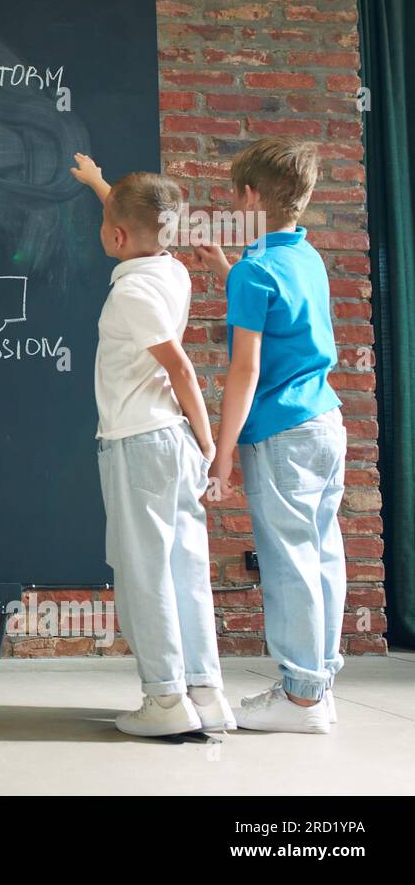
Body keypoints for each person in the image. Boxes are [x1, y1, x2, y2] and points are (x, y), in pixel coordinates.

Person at [70, 157, 232, 737]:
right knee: (185, 567)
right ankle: (204, 691)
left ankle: (164, 699)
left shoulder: (130, 296)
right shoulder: (172, 271)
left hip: (140, 443)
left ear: (115, 238)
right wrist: (97, 184)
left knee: (144, 572)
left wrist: (211, 437)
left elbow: (182, 369)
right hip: (172, 444)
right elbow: (139, 216)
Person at [196, 138, 344, 734]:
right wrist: (225, 272)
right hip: (325, 424)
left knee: (289, 564)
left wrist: (222, 455)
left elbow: (246, 370)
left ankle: (302, 699)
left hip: (281, 435)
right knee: (322, 554)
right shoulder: (302, 258)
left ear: (250, 197)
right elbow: (285, 321)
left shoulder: (254, 271)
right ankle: (315, 686)